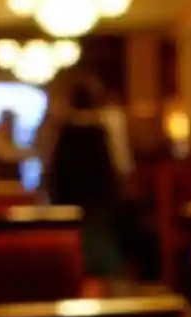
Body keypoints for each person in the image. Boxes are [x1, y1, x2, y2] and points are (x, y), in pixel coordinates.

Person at [46, 80, 133, 281]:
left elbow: (55, 169)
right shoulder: (100, 131)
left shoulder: (66, 131)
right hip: (98, 197)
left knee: (78, 241)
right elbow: (117, 165)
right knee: (99, 239)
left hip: (71, 198)